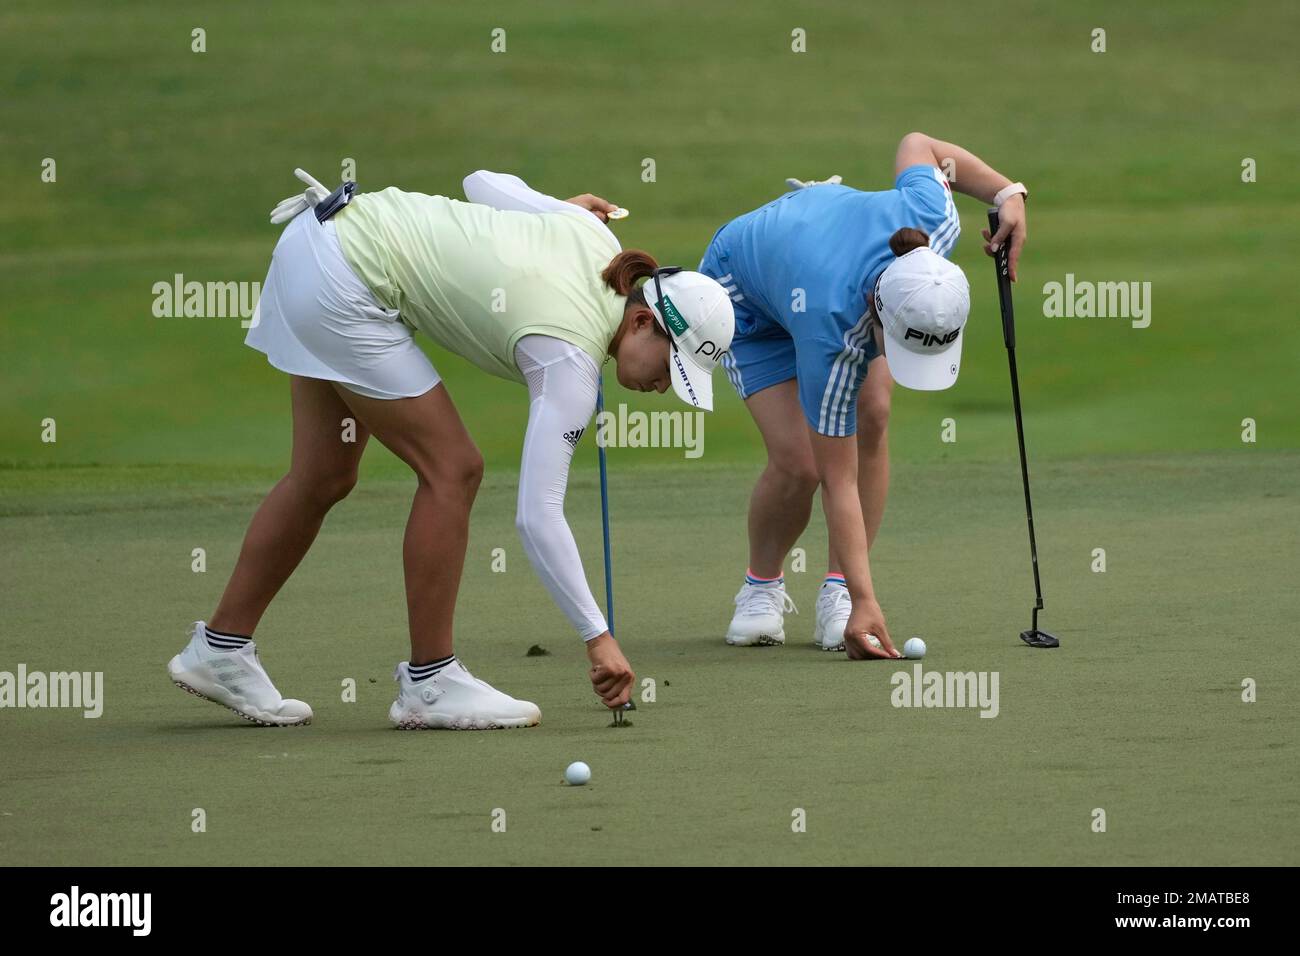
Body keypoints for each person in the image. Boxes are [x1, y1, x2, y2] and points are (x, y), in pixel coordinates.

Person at [167, 168, 735, 728]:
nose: (664, 388)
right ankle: (430, 681)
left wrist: (552, 210)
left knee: (324, 475)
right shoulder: (570, 363)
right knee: (454, 469)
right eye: (671, 369)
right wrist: (598, 637)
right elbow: (538, 518)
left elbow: (480, 181)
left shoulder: (592, 234)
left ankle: (221, 648)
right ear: (640, 321)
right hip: (345, 281)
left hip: (317, 243)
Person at [698, 132, 1029, 659]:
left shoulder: (933, 221)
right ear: (877, 317)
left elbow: (918, 144)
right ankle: (761, 586)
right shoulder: (832, 333)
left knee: (874, 411)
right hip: (746, 291)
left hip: (827, 258)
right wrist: (868, 599)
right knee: (802, 462)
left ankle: (835, 588)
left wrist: (1007, 193)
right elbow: (838, 478)